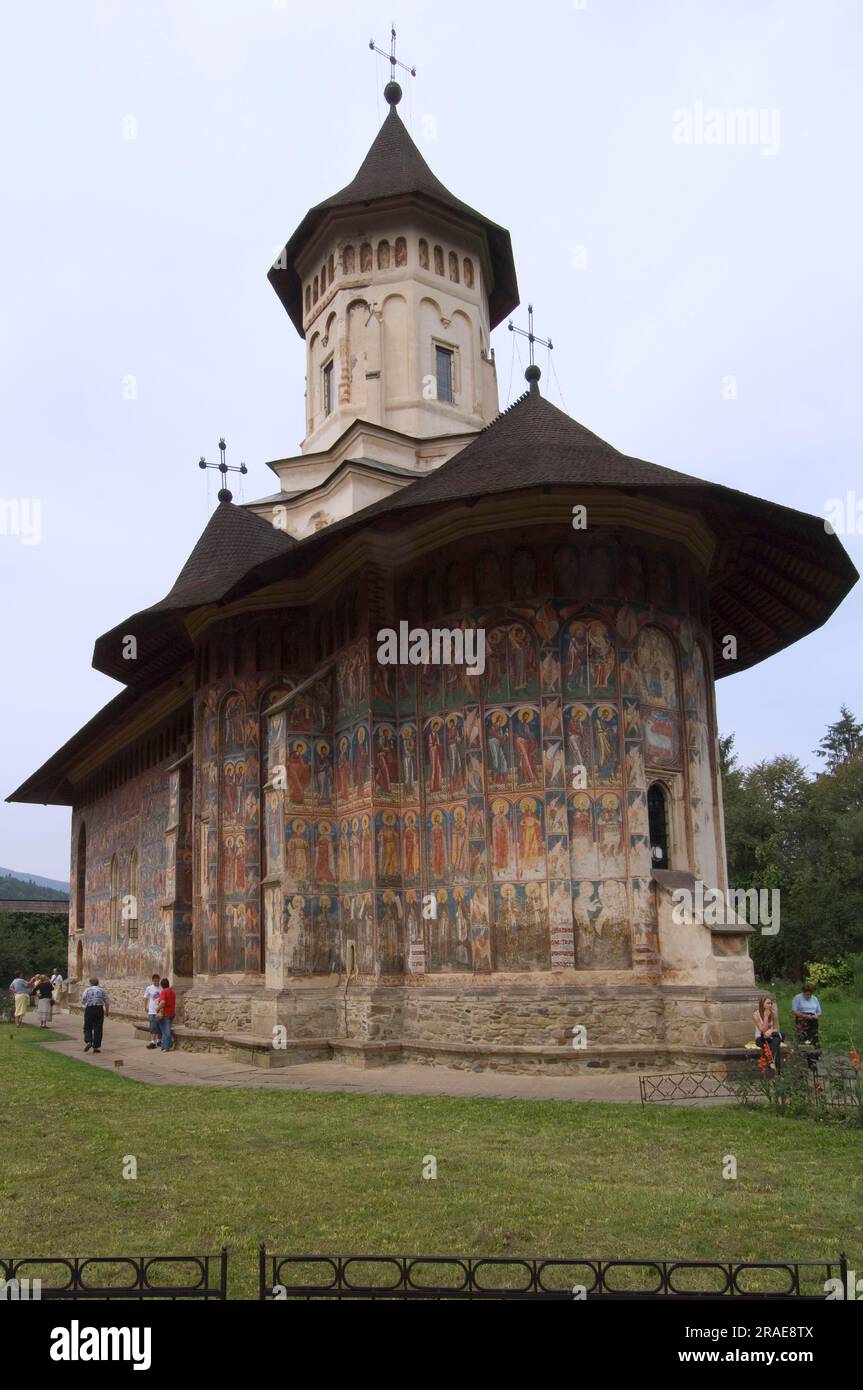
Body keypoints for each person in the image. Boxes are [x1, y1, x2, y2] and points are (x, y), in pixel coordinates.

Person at [791, 982, 822, 1070]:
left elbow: (819, 1011)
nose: (808, 996)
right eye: (806, 994)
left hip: (813, 1020)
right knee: (804, 1039)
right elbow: (794, 1011)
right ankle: (805, 1060)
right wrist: (804, 1016)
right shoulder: (798, 998)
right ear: (803, 992)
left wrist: (817, 1015)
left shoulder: (815, 999)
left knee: (813, 1039)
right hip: (803, 1020)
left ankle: (813, 1060)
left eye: (810, 994)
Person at [753, 993, 782, 1072]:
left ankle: (772, 1063)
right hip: (761, 1037)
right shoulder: (756, 1014)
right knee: (772, 1045)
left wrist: (771, 1031)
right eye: (768, 1003)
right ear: (762, 1004)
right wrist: (765, 1016)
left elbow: (777, 1029)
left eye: (771, 1003)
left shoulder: (774, 1013)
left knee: (776, 1041)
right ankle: (776, 1067)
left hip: (772, 1036)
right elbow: (762, 1029)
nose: (770, 1005)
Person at [81, 976, 109, 1053]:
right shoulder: (101, 990)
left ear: (90, 983)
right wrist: (107, 1011)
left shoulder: (87, 990)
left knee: (87, 1026)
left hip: (89, 1009)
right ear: (98, 983)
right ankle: (96, 1046)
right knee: (98, 1027)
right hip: (99, 1009)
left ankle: (89, 1040)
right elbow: (107, 1001)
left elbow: (83, 1000)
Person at [157, 977, 176, 1052]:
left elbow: (163, 1002)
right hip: (172, 1013)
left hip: (165, 1014)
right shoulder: (172, 992)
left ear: (162, 985)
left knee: (165, 1031)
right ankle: (164, 1046)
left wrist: (157, 1009)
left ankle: (167, 1046)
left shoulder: (164, 991)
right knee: (166, 1030)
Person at [144, 973, 162, 1050]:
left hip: (159, 1011)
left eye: (157, 981)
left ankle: (159, 1041)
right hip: (152, 1010)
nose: (156, 982)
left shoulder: (161, 988)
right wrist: (145, 1006)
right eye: (155, 981)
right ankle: (152, 1042)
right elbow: (145, 997)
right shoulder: (149, 988)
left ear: (159, 980)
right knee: (152, 1027)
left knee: (159, 1027)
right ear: (152, 981)